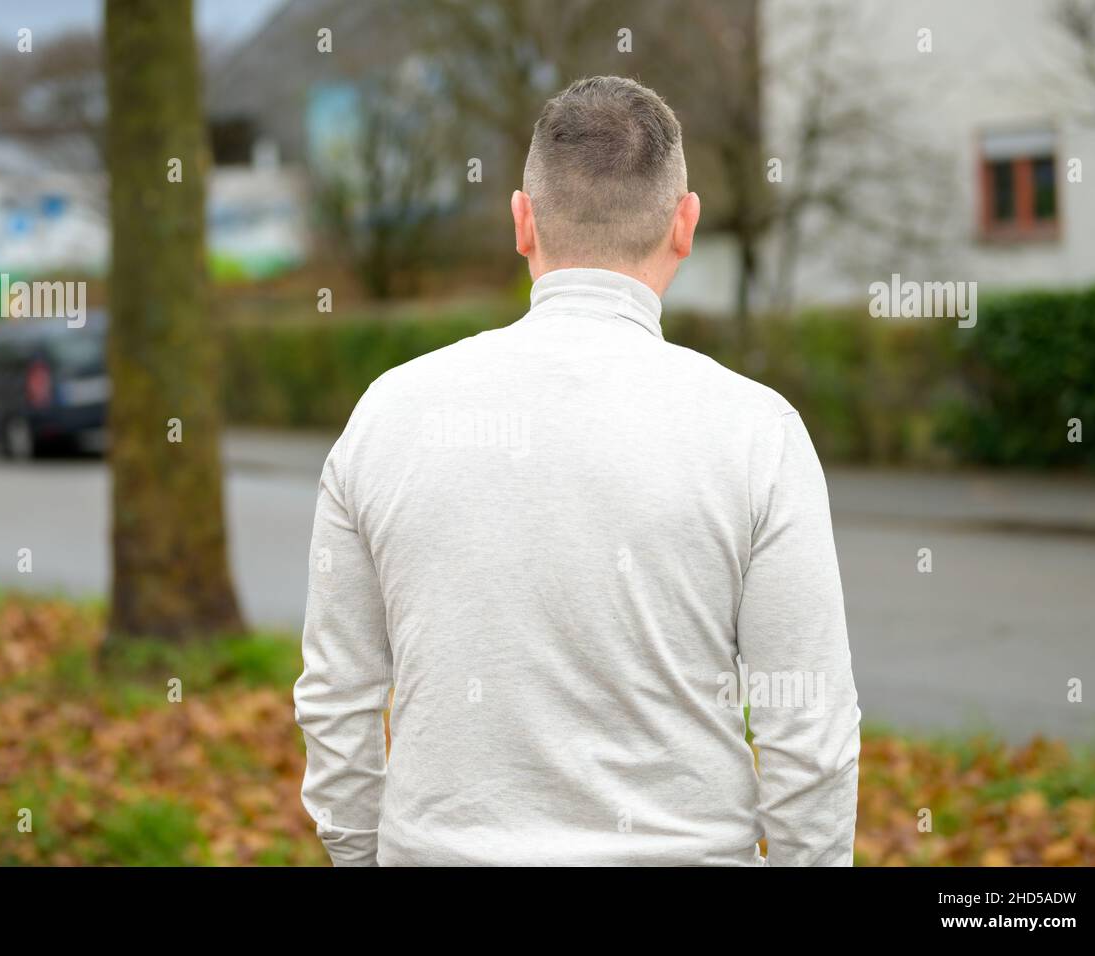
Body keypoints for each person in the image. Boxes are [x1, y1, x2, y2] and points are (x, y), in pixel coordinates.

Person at [294, 75, 861, 866]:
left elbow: (337, 698)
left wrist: (361, 856)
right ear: (685, 223)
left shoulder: (388, 413)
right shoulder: (757, 432)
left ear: (522, 222)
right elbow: (809, 729)